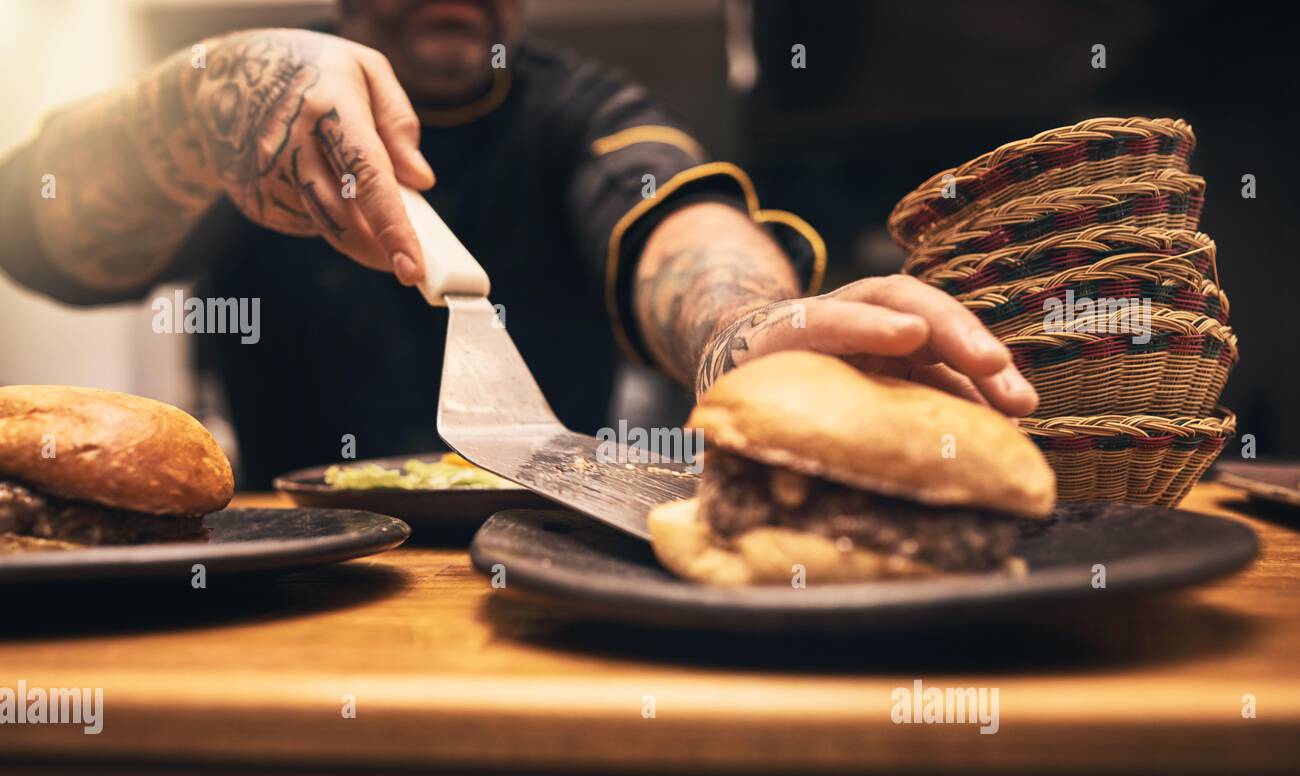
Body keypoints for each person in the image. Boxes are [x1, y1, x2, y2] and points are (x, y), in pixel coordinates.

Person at [0, 0, 1036, 486]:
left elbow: (675, 221)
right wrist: (185, 110)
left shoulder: (579, 111)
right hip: (277, 560)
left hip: (541, 560)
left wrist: (747, 328)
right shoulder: (262, 114)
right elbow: (36, 234)